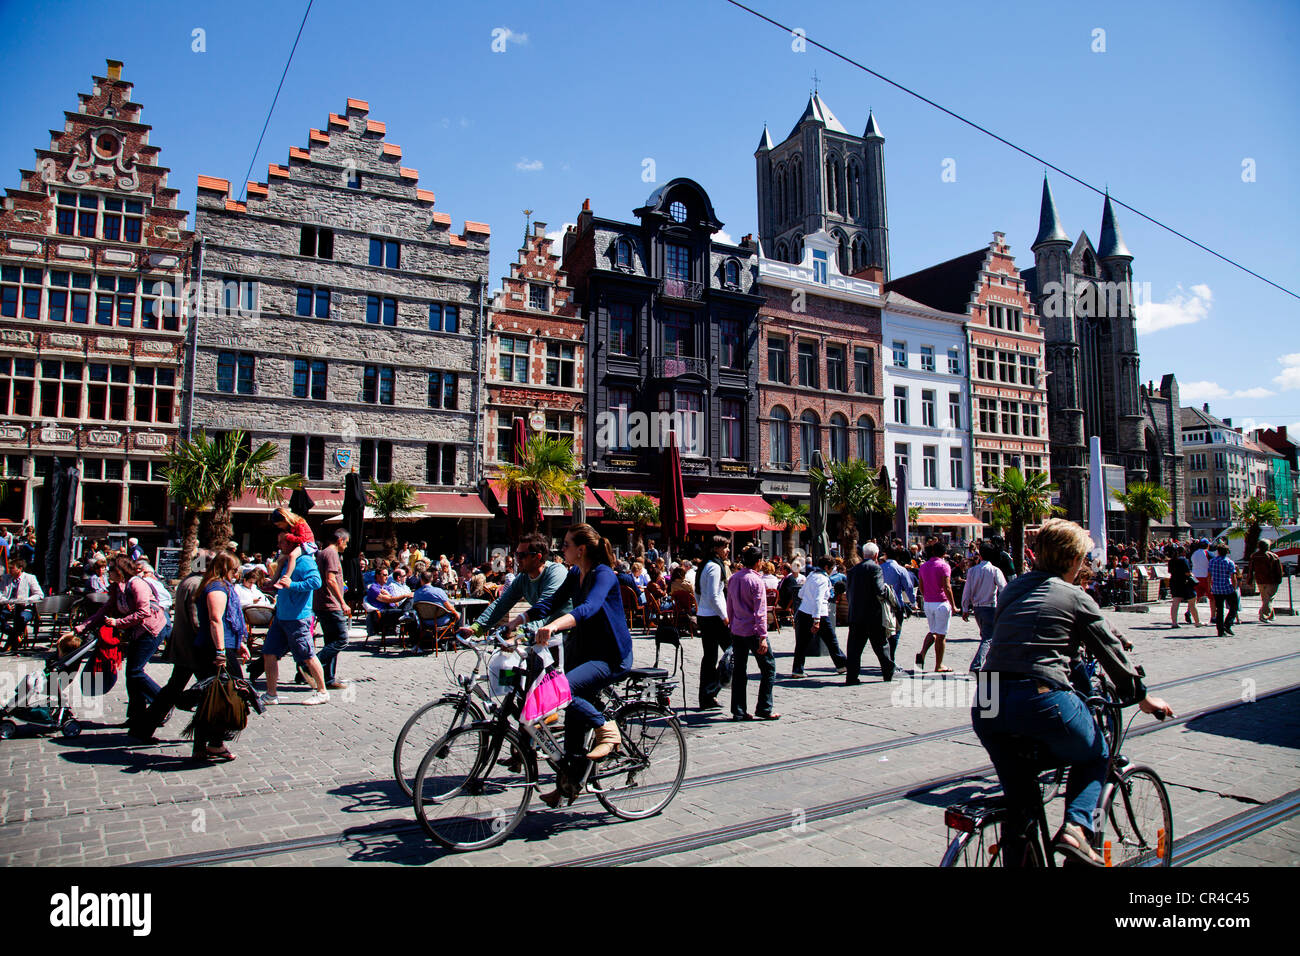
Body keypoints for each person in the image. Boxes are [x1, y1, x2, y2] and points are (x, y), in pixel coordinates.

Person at [972, 519, 1173, 866]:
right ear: (1070, 559)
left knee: (1021, 800)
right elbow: (1112, 655)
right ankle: (1077, 829)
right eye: (1082, 557)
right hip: (1037, 690)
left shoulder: (1013, 589)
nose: (1084, 563)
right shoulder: (1076, 596)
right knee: (1096, 754)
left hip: (987, 695)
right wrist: (1143, 696)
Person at [530, 525, 635, 808]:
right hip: (584, 653)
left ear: (581, 549)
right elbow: (552, 602)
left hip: (610, 657)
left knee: (562, 693)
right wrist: (515, 622)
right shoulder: (576, 574)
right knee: (574, 723)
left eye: (565, 545)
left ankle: (607, 730)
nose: (560, 549)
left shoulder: (603, 575)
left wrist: (553, 626)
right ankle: (569, 783)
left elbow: (588, 608)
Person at [71, 555, 167, 742]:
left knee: (135, 672)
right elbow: (105, 609)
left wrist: (118, 622)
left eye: (111, 570)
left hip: (151, 630)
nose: (107, 573)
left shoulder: (136, 584)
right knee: (132, 675)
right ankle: (136, 716)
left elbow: (144, 612)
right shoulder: (117, 587)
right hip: (135, 631)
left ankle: (162, 702)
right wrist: (83, 626)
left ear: (119, 572)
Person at [137, 550, 209, 740]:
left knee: (173, 688)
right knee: (208, 688)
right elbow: (196, 620)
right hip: (194, 648)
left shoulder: (188, 581)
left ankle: (144, 728)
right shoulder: (198, 585)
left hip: (184, 645)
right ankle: (207, 735)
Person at [191, 551, 251, 761]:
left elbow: (226, 622)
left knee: (213, 697)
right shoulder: (216, 588)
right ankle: (214, 743)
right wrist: (220, 652)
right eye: (235, 570)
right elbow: (216, 620)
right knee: (227, 695)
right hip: (215, 649)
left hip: (223, 646)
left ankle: (203, 745)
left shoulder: (218, 586)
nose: (237, 574)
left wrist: (239, 643)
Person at [260, 530, 328, 706]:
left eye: (281, 542)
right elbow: (283, 584)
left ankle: (322, 691)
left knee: (308, 655)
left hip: (298, 617)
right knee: (269, 652)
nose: (278, 546)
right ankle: (271, 693)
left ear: (291, 544)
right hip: (282, 616)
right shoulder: (286, 562)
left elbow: (316, 582)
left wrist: (293, 585)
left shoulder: (304, 561)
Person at [727, 544, 779, 720]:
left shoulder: (734, 579)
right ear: (758, 562)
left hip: (737, 630)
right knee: (768, 667)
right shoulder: (757, 581)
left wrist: (732, 625)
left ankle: (738, 710)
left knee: (740, 670)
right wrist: (763, 636)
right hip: (753, 631)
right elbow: (760, 611)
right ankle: (764, 707)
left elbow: (730, 606)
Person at [845, 543, 893, 684]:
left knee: (854, 649)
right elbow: (879, 590)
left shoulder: (853, 570)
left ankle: (851, 677)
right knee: (881, 646)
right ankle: (888, 673)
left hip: (855, 614)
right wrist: (887, 591)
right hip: (873, 615)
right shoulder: (875, 568)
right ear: (876, 555)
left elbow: (848, 592)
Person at [793, 555, 848, 677]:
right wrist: (816, 619)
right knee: (831, 640)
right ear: (827, 567)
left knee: (801, 643)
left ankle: (797, 669)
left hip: (803, 611)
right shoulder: (823, 579)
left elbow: (801, 594)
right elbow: (818, 600)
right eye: (831, 568)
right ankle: (841, 665)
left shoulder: (811, 575)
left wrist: (808, 598)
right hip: (819, 614)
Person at [313, 529, 352, 689]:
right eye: (346, 542)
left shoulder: (322, 553)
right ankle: (310, 666)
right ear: (340, 540)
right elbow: (330, 579)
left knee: (331, 641)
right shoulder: (331, 553)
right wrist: (342, 601)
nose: (347, 546)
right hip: (330, 604)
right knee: (342, 639)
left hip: (322, 603)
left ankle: (328, 678)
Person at [696, 535, 731, 710]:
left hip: (704, 615)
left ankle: (706, 696)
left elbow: (699, 593)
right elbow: (714, 596)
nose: (728, 550)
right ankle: (712, 689)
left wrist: (700, 608)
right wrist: (725, 617)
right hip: (715, 617)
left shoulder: (704, 566)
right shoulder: (715, 567)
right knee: (733, 652)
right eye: (725, 547)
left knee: (709, 657)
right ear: (715, 548)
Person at [962, 543, 1007, 672]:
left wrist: (965, 608)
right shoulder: (994, 571)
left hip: (977, 608)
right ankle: (977, 664)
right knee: (988, 637)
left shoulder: (972, 571)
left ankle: (990, 663)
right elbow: (1004, 588)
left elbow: (967, 590)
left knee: (985, 635)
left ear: (980, 555)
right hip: (990, 607)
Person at [916, 542, 958, 673]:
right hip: (941, 603)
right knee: (941, 635)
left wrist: (927, 596)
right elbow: (947, 587)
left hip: (928, 602)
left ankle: (922, 653)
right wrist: (954, 605)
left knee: (933, 631)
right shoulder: (944, 566)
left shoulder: (923, 566)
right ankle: (939, 665)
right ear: (944, 553)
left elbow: (921, 586)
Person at [1, 556, 44, 654]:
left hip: (25, 608)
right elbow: (0, 593)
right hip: (9, 606)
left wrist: (26, 600)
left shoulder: (30, 578)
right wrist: (5, 602)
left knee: (21, 618)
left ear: (20, 569)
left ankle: (12, 643)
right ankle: (14, 636)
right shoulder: (6, 578)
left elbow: (39, 595)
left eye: (12, 568)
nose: (10, 570)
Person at [269, 506, 317, 591]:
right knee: (280, 560)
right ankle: (272, 582)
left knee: (292, 555)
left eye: (279, 524)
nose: (280, 527)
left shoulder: (300, 523)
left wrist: (288, 537)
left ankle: (286, 578)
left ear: (285, 520)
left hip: (308, 545)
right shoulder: (292, 526)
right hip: (302, 545)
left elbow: (303, 539)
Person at [880, 548, 915, 662]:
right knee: (896, 631)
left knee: (883, 631)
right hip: (896, 604)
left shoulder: (879, 568)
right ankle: (891, 657)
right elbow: (909, 587)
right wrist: (913, 602)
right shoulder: (901, 569)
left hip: (881, 604)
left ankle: (886, 657)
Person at [1208, 544, 1240, 637]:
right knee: (1234, 607)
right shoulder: (1229, 562)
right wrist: (1234, 587)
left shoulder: (1212, 561)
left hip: (1216, 588)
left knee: (1219, 610)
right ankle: (1228, 623)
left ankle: (1220, 630)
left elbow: (1209, 575)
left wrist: (1209, 585)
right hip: (1227, 588)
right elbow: (1233, 577)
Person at [1167, 545, 1200, 628]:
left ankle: (1174, 622)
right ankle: (1197, 622)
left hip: (1174, 582)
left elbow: (1170, 572)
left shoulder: (1171, 561)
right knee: (1192, 602)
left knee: (1175, 603)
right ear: (1183, 552)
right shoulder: (1184, 560)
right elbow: (1187, 572)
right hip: (1185, 583)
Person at [1250, 540, 1282, 623]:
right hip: (1271, 580)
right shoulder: (1273, 556)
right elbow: (1279, 570)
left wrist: (1250, 579)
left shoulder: (1254, 556)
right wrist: (1279, 580)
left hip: (1260, 580)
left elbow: (1251, 569)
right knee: (1269, 598)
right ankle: (1263, 615)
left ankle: (1271, 615)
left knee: (1265, 598)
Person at [1189, 539, 1212, 622]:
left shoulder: (1194, 553)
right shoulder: (1208, 553)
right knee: (1212, 598)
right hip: (1205, 576)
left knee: (1194, 598)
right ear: (1207, 545)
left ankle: (1189, 612)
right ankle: (1213, 616)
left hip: (1195, 576)